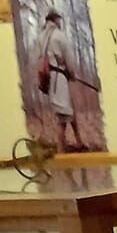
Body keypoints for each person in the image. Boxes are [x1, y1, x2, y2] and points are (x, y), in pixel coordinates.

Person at [35, 9, 83, 152]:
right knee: (63, 115)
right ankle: (62, 149)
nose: (59, 22)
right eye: (58, 19)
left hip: (51, 79)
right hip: (58, 78)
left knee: (68, 109)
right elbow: (69, 57)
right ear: (55, 19)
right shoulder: (58, 35)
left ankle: (79, 141)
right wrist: (72, 73)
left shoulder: (40, 37)